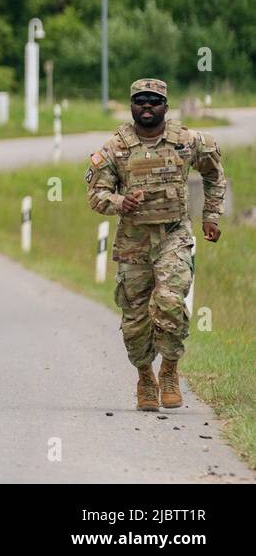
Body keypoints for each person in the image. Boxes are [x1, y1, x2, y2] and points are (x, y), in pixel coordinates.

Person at [86, 78, 226, 411]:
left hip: (173, 236)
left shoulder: (187, 142)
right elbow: (95, 195)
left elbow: (214, 172)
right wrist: (120, 202)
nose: (147, 106)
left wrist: (211, 215)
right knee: (135, 325)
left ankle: (170, 370)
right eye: (140, 100)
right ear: (131, 105)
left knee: (169, 303)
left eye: (154, 101)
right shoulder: (114, 148)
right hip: (134, 245)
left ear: (166, 105)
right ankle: (145, 376)